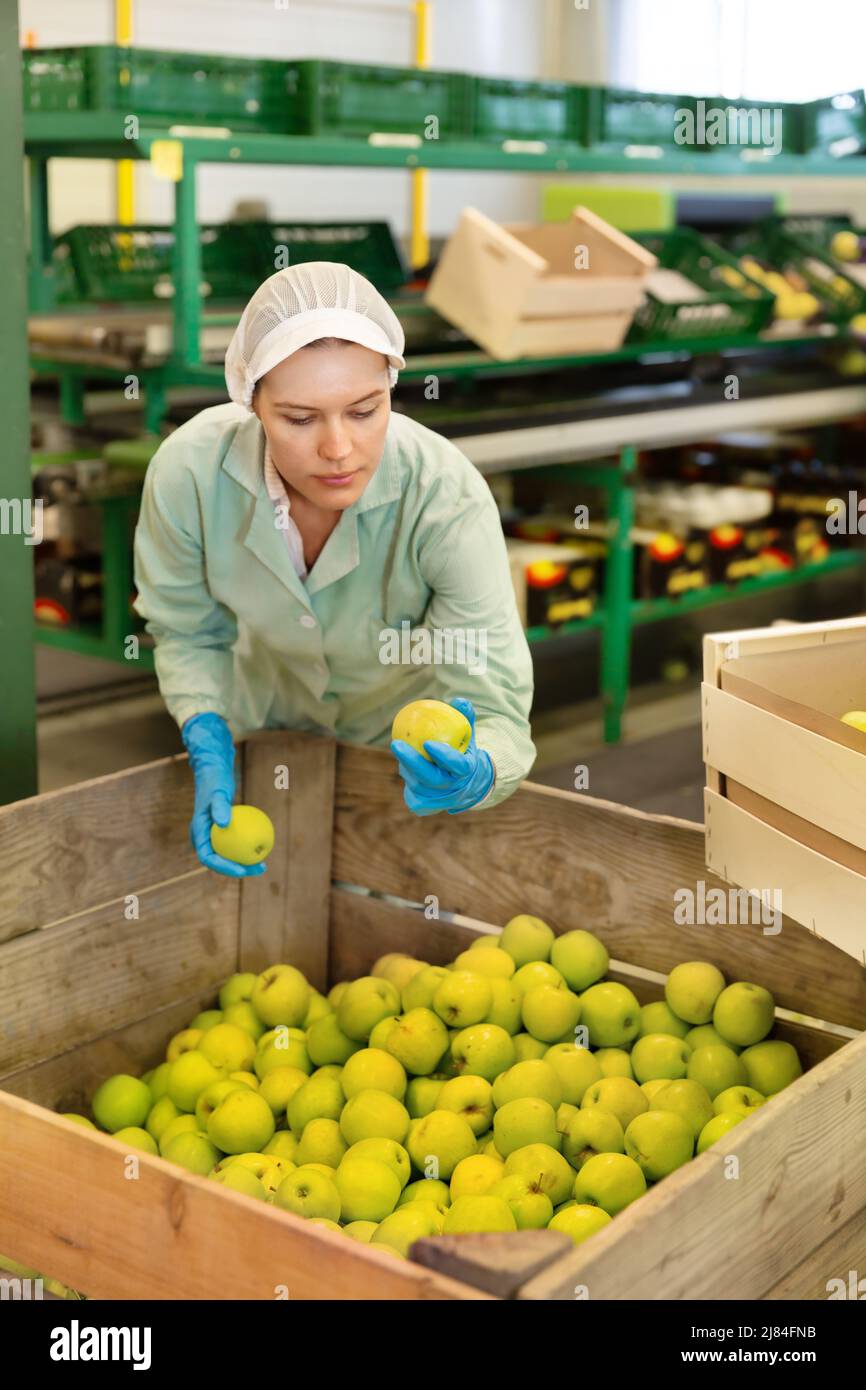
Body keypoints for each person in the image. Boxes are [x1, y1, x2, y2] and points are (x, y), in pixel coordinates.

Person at [133, 261, 535, 878]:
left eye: (365, 410)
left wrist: (479, 767)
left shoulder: (445, 497)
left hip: (406, 753)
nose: (339, 449)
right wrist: (207, 731)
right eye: (299, 419)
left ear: (392, 390)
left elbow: (494, 698)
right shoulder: (188, 474)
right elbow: (187, 629)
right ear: (252, 405)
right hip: (266, 731)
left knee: (393, 917)